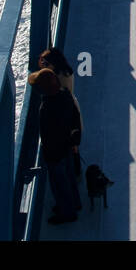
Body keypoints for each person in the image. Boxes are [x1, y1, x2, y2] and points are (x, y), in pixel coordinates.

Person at [29, 67, 82, 224]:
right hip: (67, 145)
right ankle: (75, 203)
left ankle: (67, 212)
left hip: (54, 153)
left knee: (59, 184)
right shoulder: (65, 95)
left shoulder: (46, 108)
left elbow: (47, 135)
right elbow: (75, 116)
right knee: (70, 177)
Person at [39, 47, 82, 134]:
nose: (43, 65)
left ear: (54, 63)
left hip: (63, 114)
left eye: (46, 63)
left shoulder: (58, 79)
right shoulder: (66, 71)